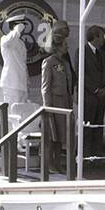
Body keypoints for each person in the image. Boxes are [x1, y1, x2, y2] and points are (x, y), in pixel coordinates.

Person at [40, 20, 75, 173]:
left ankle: (57, 163)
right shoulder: (49, 62)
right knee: (52, 136)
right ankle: (48, 165)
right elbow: (45, 87)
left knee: (61, 136)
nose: (67, 46)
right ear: (58, 46)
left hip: (65, 103)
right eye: (64, 44)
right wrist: (47, 107)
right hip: (54, 103)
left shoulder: (65, 63)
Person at [82, 25, 105, 163]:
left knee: (99, 127)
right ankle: (86, 156)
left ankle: (97, 155)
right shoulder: (82, 52)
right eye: (102, 36)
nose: (104, 40)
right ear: (95, 36)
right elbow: (81, 74)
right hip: (89, 97)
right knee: (88, 128)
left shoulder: (103, 54)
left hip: (102, 98)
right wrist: (95, 90)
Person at [0, 13, 30, 104]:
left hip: (21, 83)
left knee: (22, 111)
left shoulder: (21, 43)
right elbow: (10, 39)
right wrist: (17, 29)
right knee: (11, 112)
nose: (24, 29)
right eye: (23, 26)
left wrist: (27, 81)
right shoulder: (5, 40)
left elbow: (23, 64)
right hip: (11, 83)